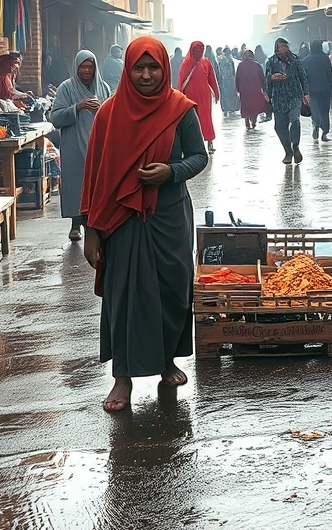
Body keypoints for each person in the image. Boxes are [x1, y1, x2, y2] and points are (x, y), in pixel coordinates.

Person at [80, 36, 207, 412]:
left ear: (165, 68)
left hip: (169, 217)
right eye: (140, 67)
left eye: (154, 67)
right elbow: (94, 176)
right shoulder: (108, 114)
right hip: (122, 221)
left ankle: (166, 361)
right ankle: (123, 379)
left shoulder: (181, 110)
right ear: (127, 69)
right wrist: (91, 230)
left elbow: (200, 157)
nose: (147, 74)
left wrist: (171, 171)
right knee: (126, 298)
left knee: (171, 291)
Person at [48, 49, 111, 242]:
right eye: (83, 66)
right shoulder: (66, 88)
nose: (86, 71)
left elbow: (112, 116)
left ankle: (95, 223)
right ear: (76, 67)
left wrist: (102, 110)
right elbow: (55, 117)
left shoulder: (104, 88)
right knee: (77, 184)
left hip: (98, 143)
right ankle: (76, 224)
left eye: (90, 67)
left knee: (97, 184)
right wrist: (78, 107)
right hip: (74, 145)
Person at [263, 38, 310, 164]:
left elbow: (303, 76)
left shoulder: (295, 60)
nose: (284, 50)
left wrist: (306, 94)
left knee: (295, 120)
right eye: (281, 47)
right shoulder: (271, 61)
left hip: (294, 96)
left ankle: (295, 145)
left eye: (286, 47)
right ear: (276, 49)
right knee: (280, 127)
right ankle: (288, 151)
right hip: (278, 98)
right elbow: (266, 79)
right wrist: (272, 78)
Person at [175, 41, 220, 152]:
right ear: (192, 49)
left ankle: (210, 142)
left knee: (206, 118)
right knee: (193, 120)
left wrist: (216, 93)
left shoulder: (206, 62)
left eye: (201, 48)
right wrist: (180, 97)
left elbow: (212, 79)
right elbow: (181, 81)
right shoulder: (186, 63)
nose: (200, 50)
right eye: (197, 48)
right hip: (190, 96)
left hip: (205, 97)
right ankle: (194, 144)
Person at [302, 40, 332, 142]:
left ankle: (316, 125)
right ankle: (325, 133)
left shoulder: (306, 60)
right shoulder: (325, 58)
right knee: (324, 110)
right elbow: (330, 74)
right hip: (325, 89)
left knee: (314, 109)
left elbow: (303, 77)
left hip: (312, 90)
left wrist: (304, 91)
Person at [235, 48, 268, 130]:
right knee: (255, 106)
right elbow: (262, 79)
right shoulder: (257, 65)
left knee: (246, 107)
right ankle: (253, 122)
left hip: (244, 90)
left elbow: (237, 79)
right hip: (255, 90)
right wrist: (264, 90)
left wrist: (238, 90)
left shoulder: (240, 65)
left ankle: (247, 123)